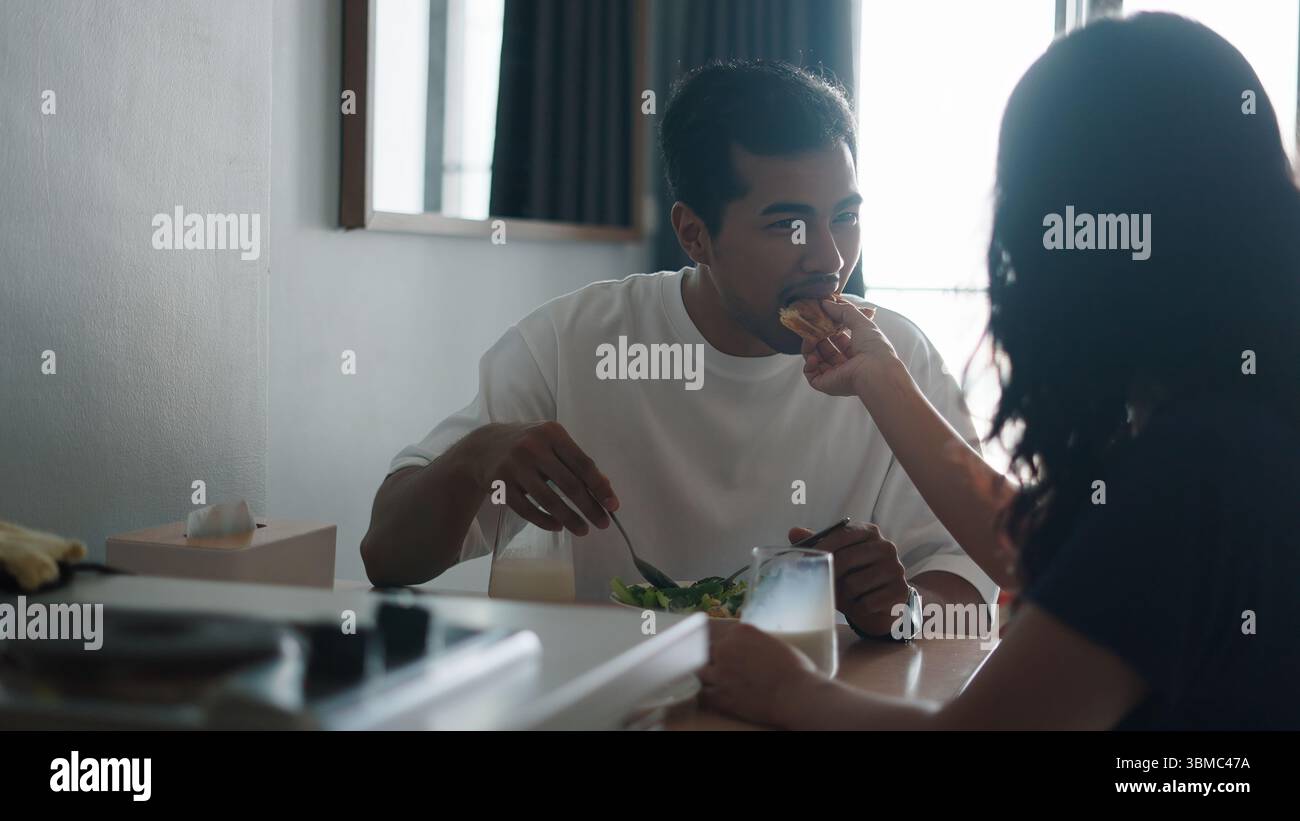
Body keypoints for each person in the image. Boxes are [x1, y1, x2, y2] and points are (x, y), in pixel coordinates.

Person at [701, 13, 1300, 730]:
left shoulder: (1197, 461)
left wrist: (786, 691)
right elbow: (1059, 549)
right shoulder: (1247, 407)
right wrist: (881, 376)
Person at [360, 60, 996, 634]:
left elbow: (972, 592)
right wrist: (478, 457)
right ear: (695, 234)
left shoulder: (895, 359)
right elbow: (386, 554)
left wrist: (903, 607)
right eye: (789, 225)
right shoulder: (570, 341)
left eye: (846, 217)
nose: (830, 258)